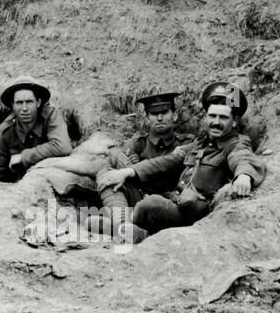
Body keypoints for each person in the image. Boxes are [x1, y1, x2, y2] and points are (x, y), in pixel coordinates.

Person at [108, 82, 265, 236]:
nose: (216, 122)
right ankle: (125, 226)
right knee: (113, 180)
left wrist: (244, 175)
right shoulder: (200, 142)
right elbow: (168, 161)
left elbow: (242, 156)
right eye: (212, 116)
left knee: (151, 204)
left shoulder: (234, 143)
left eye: (223, 117)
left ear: (235, 121)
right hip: (175, 199)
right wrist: (129, 171)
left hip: (194, 212)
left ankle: (120, 226)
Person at [92, 92, 184, 235]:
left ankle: (120, 229)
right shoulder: (137, 143)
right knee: (107, 175)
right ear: (147, 118)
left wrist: (133, 169)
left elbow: (167, 163)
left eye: (164, 112)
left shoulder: (185, 143)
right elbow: (117, 168)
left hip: (167, 203)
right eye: (154, 114)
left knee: (153, 205)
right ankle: (123, 225)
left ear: (175, 115)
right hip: (138, 198)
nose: (159, 118)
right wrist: (122, 167)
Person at [0, 77, 72, 183]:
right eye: (19, 103)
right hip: (21, 187)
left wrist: (23, 157)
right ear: (12, 105)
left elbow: (63, 147)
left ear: (38, 102)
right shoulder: (6, 129)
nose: (24, 108)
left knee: (52, 199)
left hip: (52, 181)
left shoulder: (50, 116)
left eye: (29, 102)